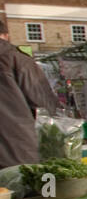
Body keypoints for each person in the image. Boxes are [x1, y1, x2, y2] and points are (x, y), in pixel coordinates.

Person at [0, 20, 60, 169]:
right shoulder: (15, 58)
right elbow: (44, 102)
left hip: (12, 148)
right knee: (36, 190)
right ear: (6, 35)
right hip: (16, 150)